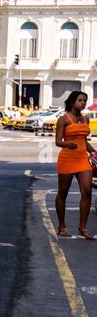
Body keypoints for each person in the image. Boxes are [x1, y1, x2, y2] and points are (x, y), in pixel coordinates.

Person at [54, 90, 94, 238]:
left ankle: (82, 228)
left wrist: (94, 152)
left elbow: (84, 141)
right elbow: (58, 141)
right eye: (80, 100)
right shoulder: (63, 120)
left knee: (87, 191)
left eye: (84, 100)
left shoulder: (85, 120)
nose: (83, 103)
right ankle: (62, 227)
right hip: (67, 159)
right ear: (72, 102)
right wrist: (67, 144)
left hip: (82, 159)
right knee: (62, 193)